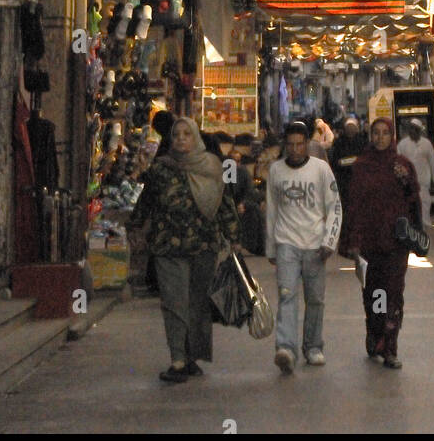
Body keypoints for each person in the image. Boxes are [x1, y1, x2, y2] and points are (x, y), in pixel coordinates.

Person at [128, 116, 241, 384]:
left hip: (204, 246)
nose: (180, 138)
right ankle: (177, 359)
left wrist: (234, 236)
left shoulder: (213, 167)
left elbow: (225, 204)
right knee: (174, 301)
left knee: (197, 303)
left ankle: (191, 357)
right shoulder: (161, 169)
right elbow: (147, 202)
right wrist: (134, 227)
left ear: (196, 138)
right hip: (168, 245)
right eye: (176, 134)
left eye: (186, 134)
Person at [342, 117, 422, 369]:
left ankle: (390, 346)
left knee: (393, 293)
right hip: (369, 242)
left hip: (396, 243)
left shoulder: (402, 166)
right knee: (374, 293)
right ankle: (375, 334)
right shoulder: (362, 166)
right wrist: (352, 240)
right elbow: (353, 204)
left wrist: (405, 181)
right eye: (375, 133)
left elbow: (414, 200)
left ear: (392, 136)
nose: (379, 138)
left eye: (385, 133)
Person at [266, 121, 342, 374]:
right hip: (286, 243)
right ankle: (286, 348)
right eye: (291, 145)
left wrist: (329, 242)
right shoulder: (276, 171)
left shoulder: (321, 170)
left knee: (315, 299)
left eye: (300, 144)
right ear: (285, 146)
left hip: (315, 245)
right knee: (287, 296)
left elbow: (335, 208)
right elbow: (272, 210)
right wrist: (271, 248)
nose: (296, 150)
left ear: (308, 144)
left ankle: (313, 347)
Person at [397, 120, 434, 227]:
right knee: (409, 204)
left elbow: (433, 161)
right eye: (411, 128)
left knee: (425, 203)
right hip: (408, 181)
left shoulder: (426, 144)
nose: (413, 131)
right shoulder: (403, 144)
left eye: (416, 129)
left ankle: (425, 224)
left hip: (423, 181)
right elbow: (397, 161)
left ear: (420, 131)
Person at [329, 117, 367, 213]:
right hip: (343, 182)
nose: (350, 130)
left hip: (359, 181)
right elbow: (334, 162)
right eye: (348, 128)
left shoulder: (362, 142)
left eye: (352, 128)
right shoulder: (339, 143)